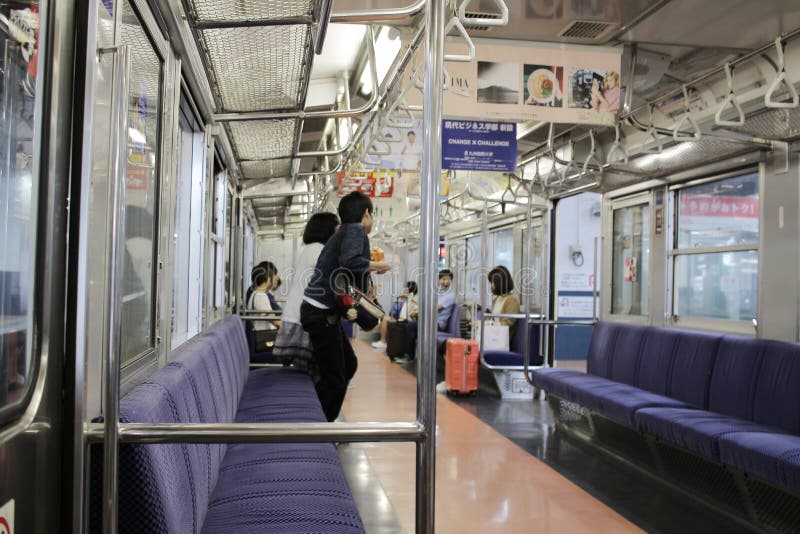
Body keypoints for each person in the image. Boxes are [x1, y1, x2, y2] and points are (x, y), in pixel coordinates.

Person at [300, 192, 390, 421]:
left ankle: (318, 417)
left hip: (320, 311)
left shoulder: (343, 233)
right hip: (319, 313)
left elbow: (345, 271)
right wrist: (377, 265)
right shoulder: (355, 230)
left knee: (348, 365)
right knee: (336, 378)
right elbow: (350, 262)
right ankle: (317, 427)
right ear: (367, 214)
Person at [273, 212, 340, 376]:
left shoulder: (309, 249)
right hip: (303, 320)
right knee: (319, 373)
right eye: (337, 227)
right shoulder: (320, 250)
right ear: (328, 229)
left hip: (296, 316)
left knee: (315, 372)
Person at [404, 270, 456, 362]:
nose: (446, 282)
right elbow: (428, 305)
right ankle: (413, 354)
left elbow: (434, 308)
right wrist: (417, 310)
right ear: (439, 280)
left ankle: (409, 356)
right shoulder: (438, 293)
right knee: (410, 324)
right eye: (443, 279)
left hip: (438, 324)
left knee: (410, 327)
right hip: (430, 321)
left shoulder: (450, 296)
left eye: (449, 280)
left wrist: (417, 312)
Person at [371, 281, 418, 351]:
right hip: (401, 319)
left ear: (410, 289)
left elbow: (415, 308)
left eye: (406, 288)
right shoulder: (408, 297)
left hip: (407, 320)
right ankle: (383, 341)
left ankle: (383, 342)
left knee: (385, 319)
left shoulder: (414, 298)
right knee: (384, 318)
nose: (404, 289)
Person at [486, 265, 521, 340]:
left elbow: (506, 325)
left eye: (493, 282)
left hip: (501, 340)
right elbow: (493, 320)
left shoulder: (512, 301)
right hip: (493, 337)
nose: (492, 285)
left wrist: (488, 324)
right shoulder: (496, 299)